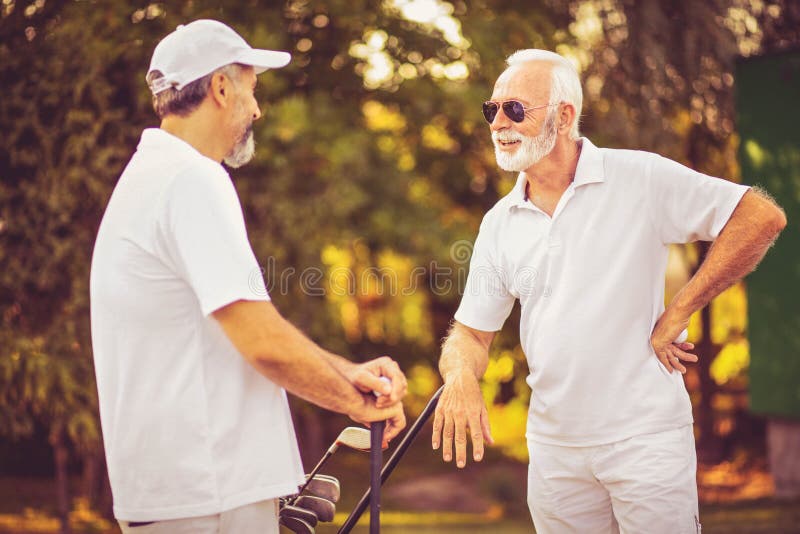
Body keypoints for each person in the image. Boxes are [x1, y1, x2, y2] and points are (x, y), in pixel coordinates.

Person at [431, 49, 786, 533]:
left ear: (564, 115)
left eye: (515, 109)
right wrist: (460, 378)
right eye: (491, 109)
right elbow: (470, 335)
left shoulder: (639, 177)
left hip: (646, 441)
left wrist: (681, 310)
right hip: (555, 454)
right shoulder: (499, 224)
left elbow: (760, 217)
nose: (498, 123)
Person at [90, 19, 407, 534]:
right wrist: (355, 403)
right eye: (252, 89)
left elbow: (239, 335)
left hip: (186, 494)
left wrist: (345, 372)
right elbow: (264, 342)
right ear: (220, 88)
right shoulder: (192, 179)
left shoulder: (154, 176)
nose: (256, 109)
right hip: (203, 498)